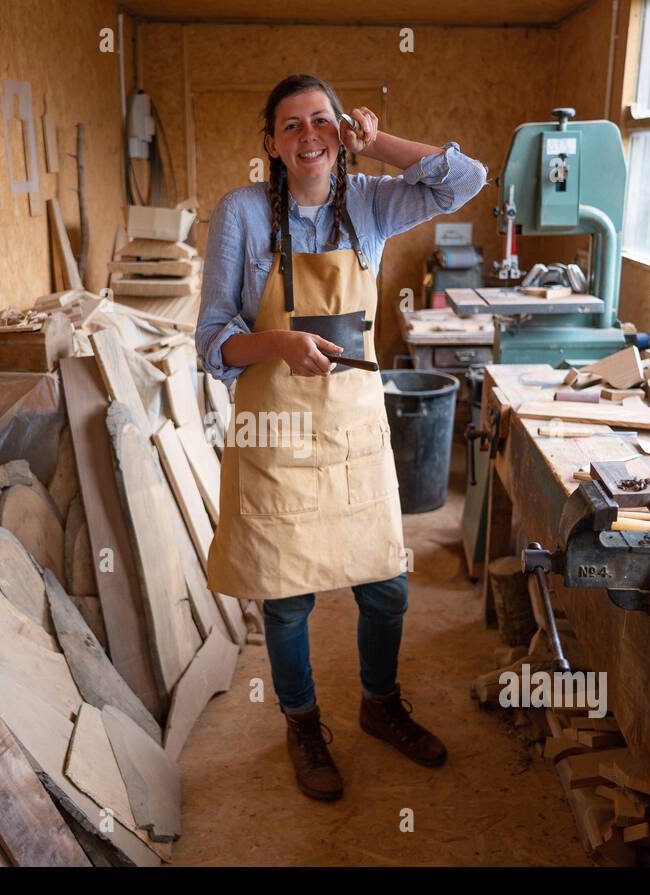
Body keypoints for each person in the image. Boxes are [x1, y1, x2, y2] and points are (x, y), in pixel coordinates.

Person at [196, 73, 486, 801]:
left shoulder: (371, 201)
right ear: (270, 143)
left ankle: (379, 703)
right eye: (290, 126)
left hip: (354, 428)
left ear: (341, 132)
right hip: (277, 431)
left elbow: (466, 180)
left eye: (321, 121)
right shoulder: (241, 214)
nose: (308, 138)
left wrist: (379, 143)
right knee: (288, 597)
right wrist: (278, 345)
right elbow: (211, 342)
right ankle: (302, 722)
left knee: (385, 585)